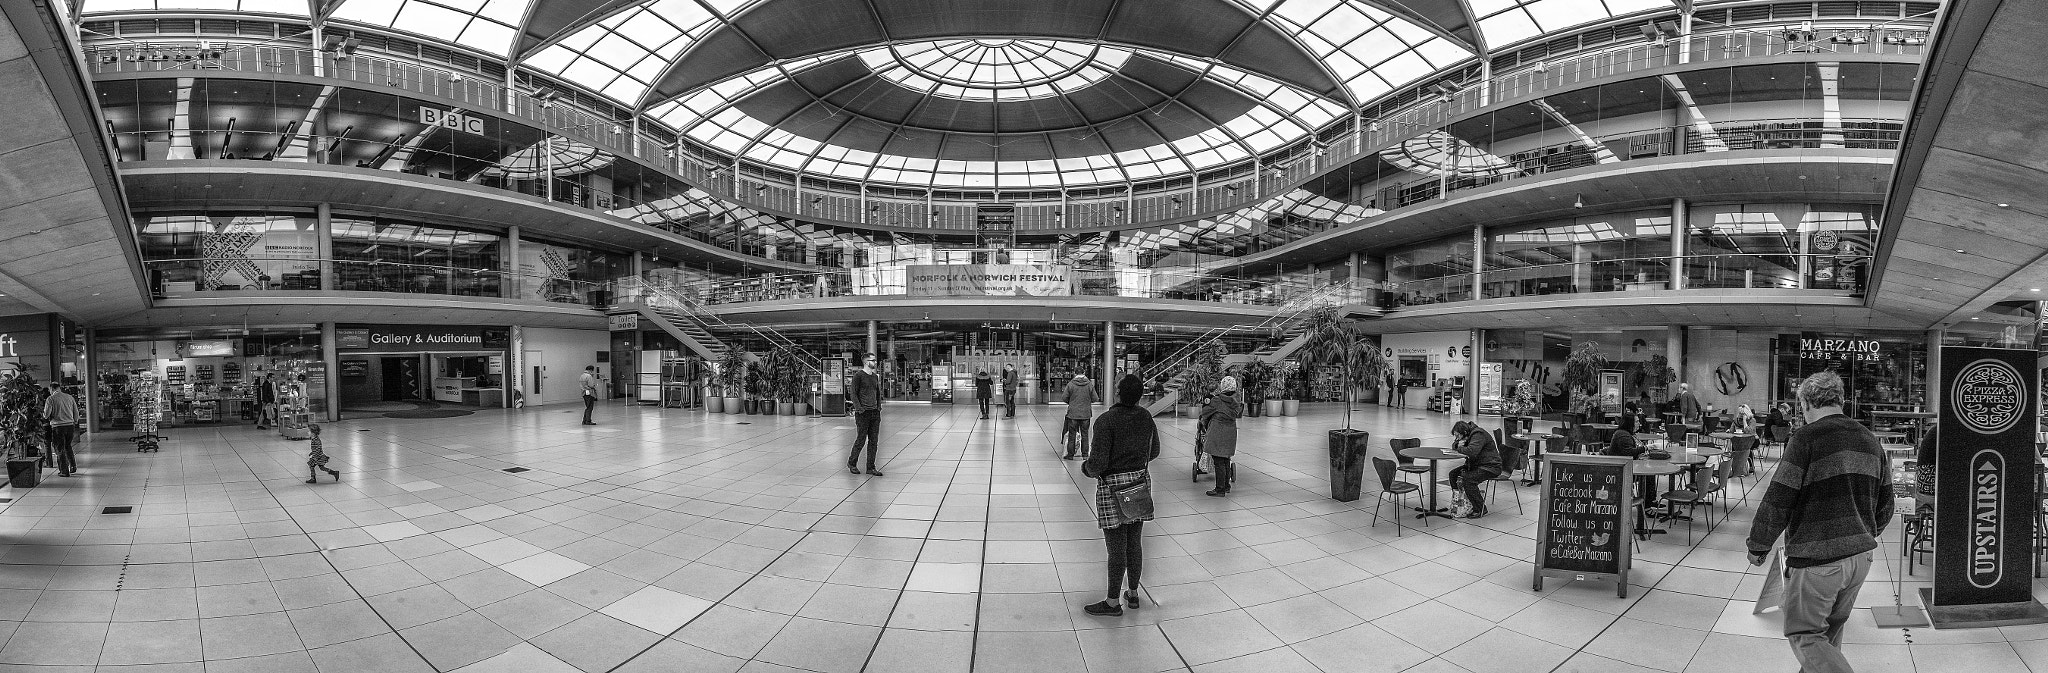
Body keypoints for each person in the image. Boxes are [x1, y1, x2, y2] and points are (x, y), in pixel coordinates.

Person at [1746, 372, 1891, 673]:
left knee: (1805, 634)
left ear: (1806, 403)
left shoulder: (1806, 439)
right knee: (1828, 637)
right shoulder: (1869, 439)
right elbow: (1886, 504)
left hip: (1819, 560)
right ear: (1840, 399)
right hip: (1860, 558)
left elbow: (1779, 497)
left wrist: (1758, 545)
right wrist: (1862, 533)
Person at [1081, 374, 1159, 617]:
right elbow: (1153, 451)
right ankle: (1133, 593)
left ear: (1117, 393)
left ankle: (1113, 602)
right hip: (1138, 484)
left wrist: (1086, 468)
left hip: (1112, 488)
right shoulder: (1146, 417)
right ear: (1140, 396)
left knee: (1116, 547)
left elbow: (1098, 463)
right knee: (1134, 542)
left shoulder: (1106, 421)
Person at [1446, 420, 1503, 518]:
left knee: (1468, 479)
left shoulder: (1478, 434)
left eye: (1458, 435)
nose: (1457, 438)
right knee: (1453, 474)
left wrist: (1459, 448)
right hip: (1476, 465)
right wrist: (1457, 445)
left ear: (1464, 433)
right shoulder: (1467, 435)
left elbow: (1472, 451)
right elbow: (1455, 444)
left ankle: (1480, 508)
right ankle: (1459, 500)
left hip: (1490, 466)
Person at [1202, 376, 1244, 497]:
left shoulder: (1217, 400)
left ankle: (1220, 489)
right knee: (1225, 459)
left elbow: (1205, 413)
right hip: (1230, 432)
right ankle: (1226, 486)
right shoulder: (1237, 400)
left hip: (1218, 432)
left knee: (1218, 462)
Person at [847, 354, 883, 476]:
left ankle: (871, 467)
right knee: (861, 440)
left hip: (874, 413)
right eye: (873, 360)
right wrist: (859, 409)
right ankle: (852, 463)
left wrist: (878, 407)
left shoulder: (874, 377)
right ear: (867, 362)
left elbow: (877, 393)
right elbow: (853, 393)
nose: (875, 362)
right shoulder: (858, 376)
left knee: (874, 441)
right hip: (863, 413)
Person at [42, 383, 78, 477]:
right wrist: (74, 421)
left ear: (51, 389)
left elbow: (46, 414)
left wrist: (45, 414)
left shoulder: (50, 399)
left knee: (60, 448)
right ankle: (73, 466)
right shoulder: (69, 397)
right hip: (70, 425)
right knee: (68, 446)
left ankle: (64, 470)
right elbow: (76, 412)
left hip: (58, 426)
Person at [1061, 374, 1097, 459]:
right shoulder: (1089, 384)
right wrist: (1087, 402)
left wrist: (1071, 402)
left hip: (1073, 413)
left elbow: (1064, 397)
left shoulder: (1071, 384)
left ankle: (1070, 455)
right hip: (1085, 413)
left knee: (1072, 435)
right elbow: (1095, 398)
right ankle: (1085, 455)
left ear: (1075, 373)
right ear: (1084, 373)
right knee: (1085, 434)